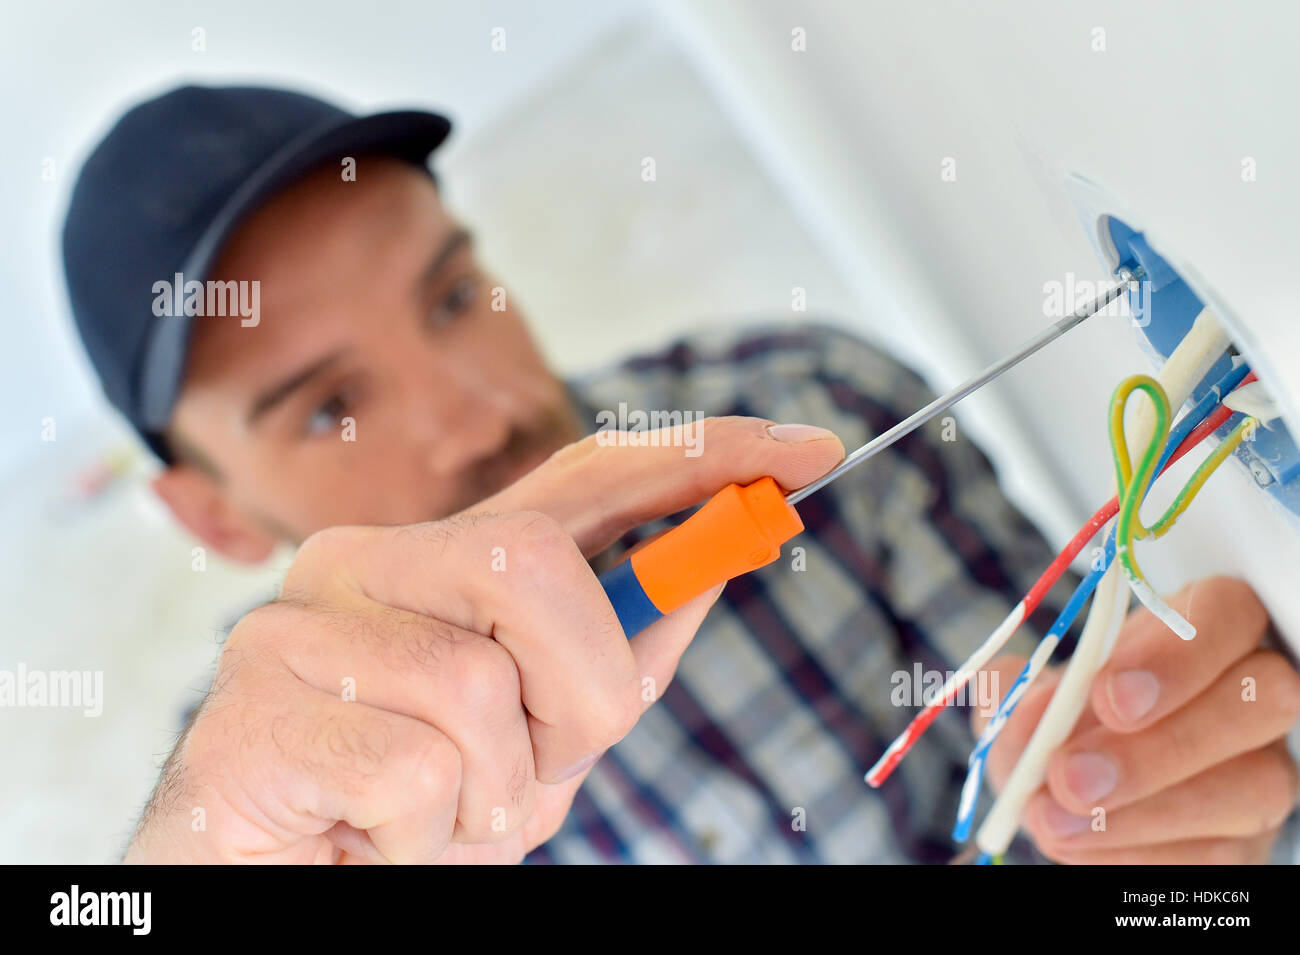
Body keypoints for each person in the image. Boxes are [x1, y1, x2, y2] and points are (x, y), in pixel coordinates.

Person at [61, 85, 1300, 864]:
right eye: (330, 407)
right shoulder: (284, 797)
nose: (477, 410)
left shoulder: (808, 402)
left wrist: (1174, 826)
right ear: (211, 515)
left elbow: (1101, 775)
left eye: (450, 295)